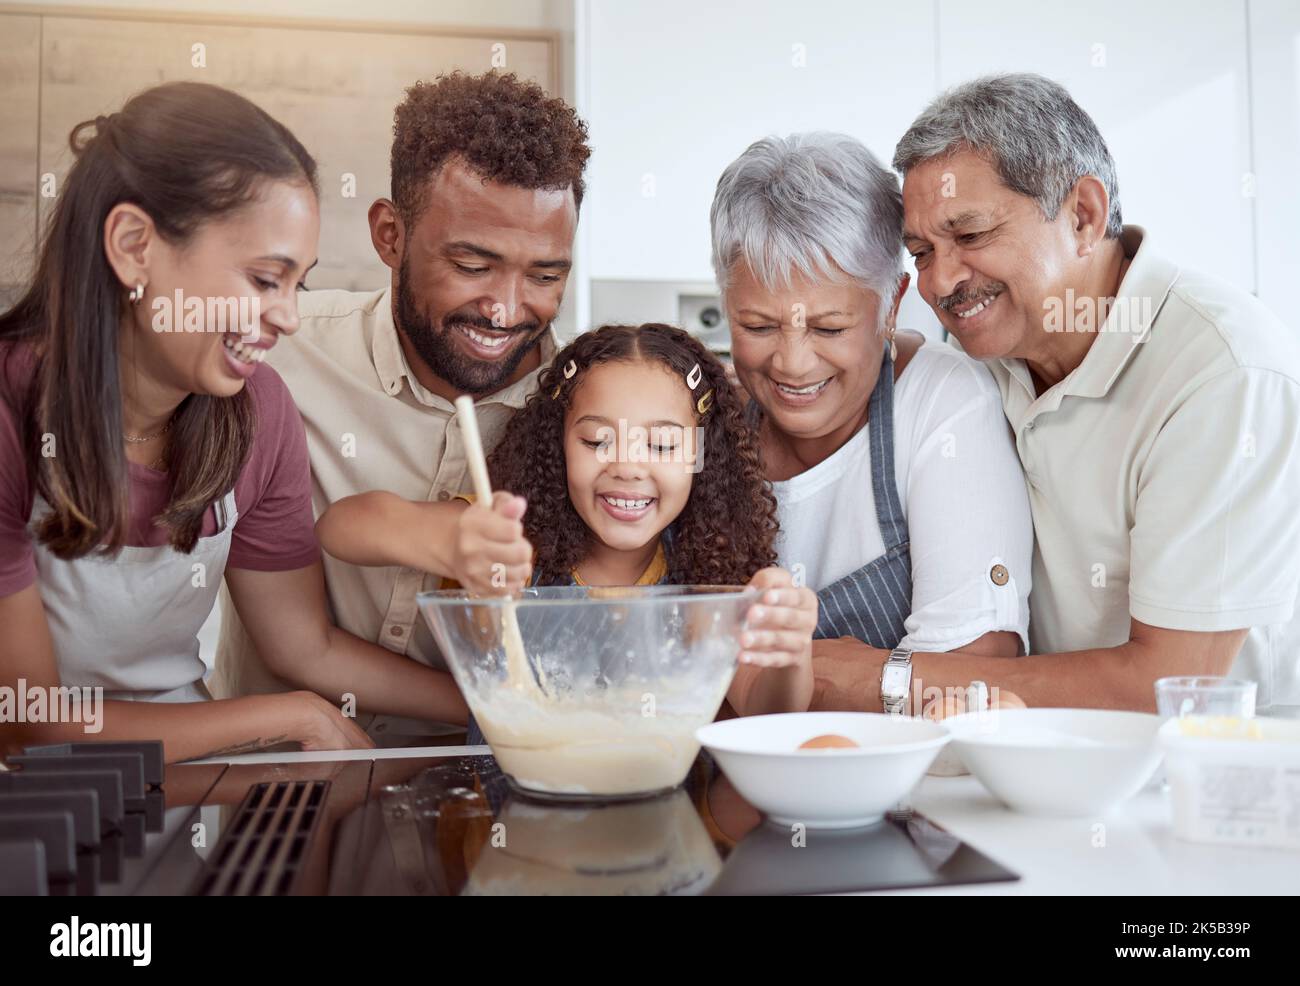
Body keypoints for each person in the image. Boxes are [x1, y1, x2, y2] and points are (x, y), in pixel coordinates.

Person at [0, 83, 466, 763]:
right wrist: (283, 718)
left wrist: (506, 710)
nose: (288, 318)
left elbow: (303, 646)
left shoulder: (258, 413)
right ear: (134, 246)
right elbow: (30, 724)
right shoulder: (12, 411)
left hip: (185, 782)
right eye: (263, 279)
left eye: (296, 285)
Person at [868, 72, 1300, 715]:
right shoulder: (983, 352)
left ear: (1083, 216)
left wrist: (873, 675)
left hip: (1211, 779)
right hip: (1043, 756)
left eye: (972, 235)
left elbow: (1171, 687)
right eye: (923, 251)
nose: (941, 281)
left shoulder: (1222, 371)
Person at [318, 322, 820, 726]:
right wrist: (449, 540)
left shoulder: (709, 582)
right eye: (597, 441)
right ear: (559, 445)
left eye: (663, 446)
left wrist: (789, 649)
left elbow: (768, 710)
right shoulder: (506, 538)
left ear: (702, 455)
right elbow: (343, 527)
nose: (627, 466)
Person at [709, 132, 1034, 715]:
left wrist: (813, 681)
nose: (792, 364)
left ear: (890, 305)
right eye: (757, 326)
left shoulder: (943, 403)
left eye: (829, 329)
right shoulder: (706, 422)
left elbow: (975, 674)